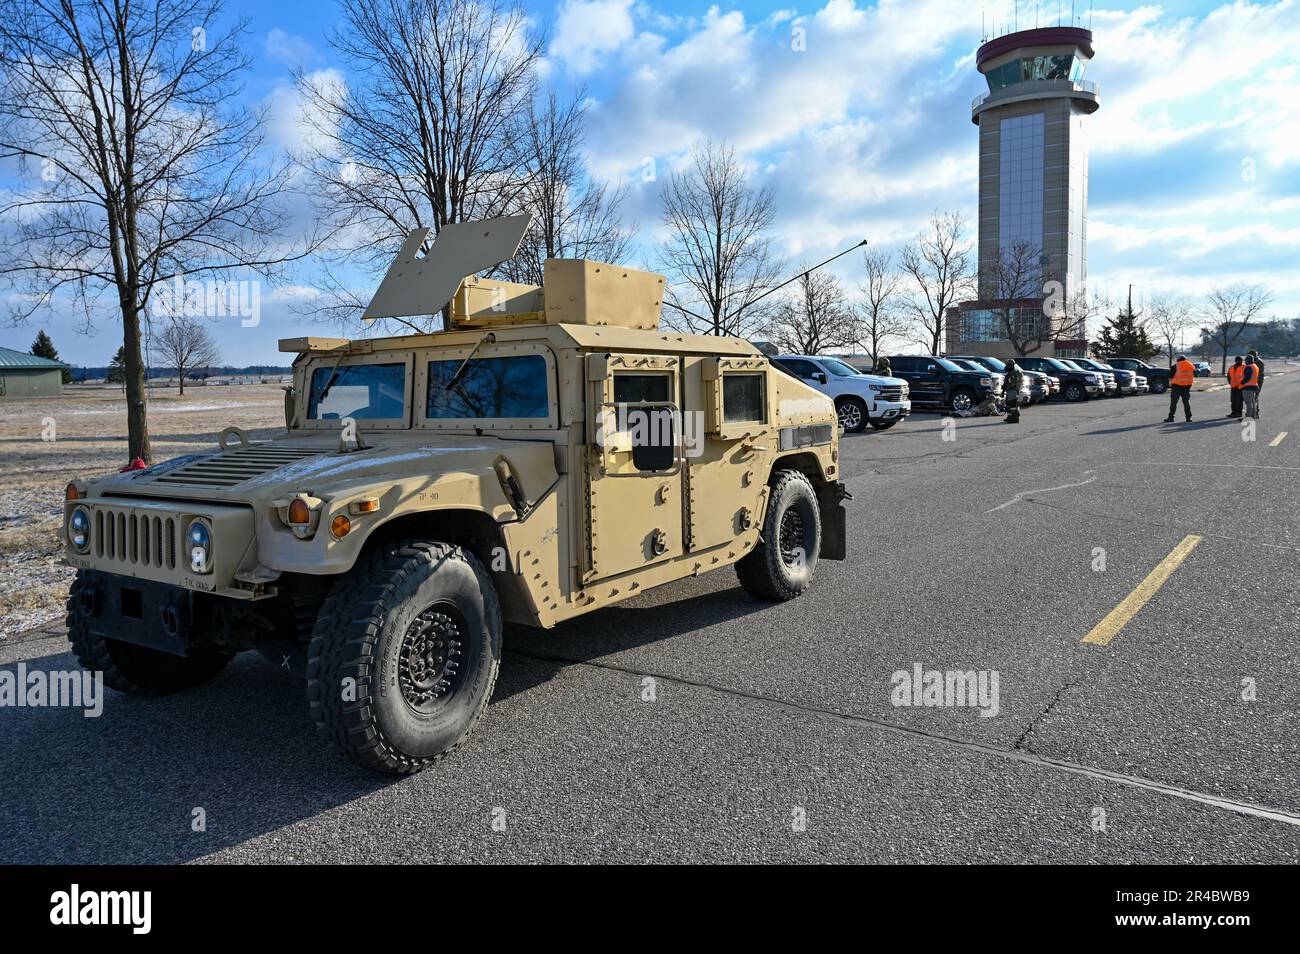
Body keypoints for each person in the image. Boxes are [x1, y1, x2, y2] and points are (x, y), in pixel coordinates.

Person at [1164, 354, 1196, 423]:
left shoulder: (1176, 366)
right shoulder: (1191, 365)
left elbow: (1169, 375)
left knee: (1174, 403)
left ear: (1178, 359)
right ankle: (1188, 418)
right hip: (1187, 387)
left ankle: (1171, 417)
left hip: (1176, 387)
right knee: (1186, 403)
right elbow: (1195, 374)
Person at [1003, 357, 1024, 424]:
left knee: (1012, 404)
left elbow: (1014, 382)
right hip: (1014, 390)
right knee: (1011, 404)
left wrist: (1007, 386)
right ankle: (1010, 417)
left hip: (1013, 390)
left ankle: (1013, 418)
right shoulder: (1015, 371)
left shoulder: (1014, 372)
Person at [1241, 355, 1261, 420]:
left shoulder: (1249, 367)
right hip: (1254, 386)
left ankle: (1248, 417)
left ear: (1248, 360)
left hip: (1248, 387)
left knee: (1248, 402)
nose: (1245, 361)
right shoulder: (1255, 366)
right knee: (1252, 402)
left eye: (1246, 360)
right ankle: (1253, 415)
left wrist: (1242, 382)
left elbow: (1247, 377)